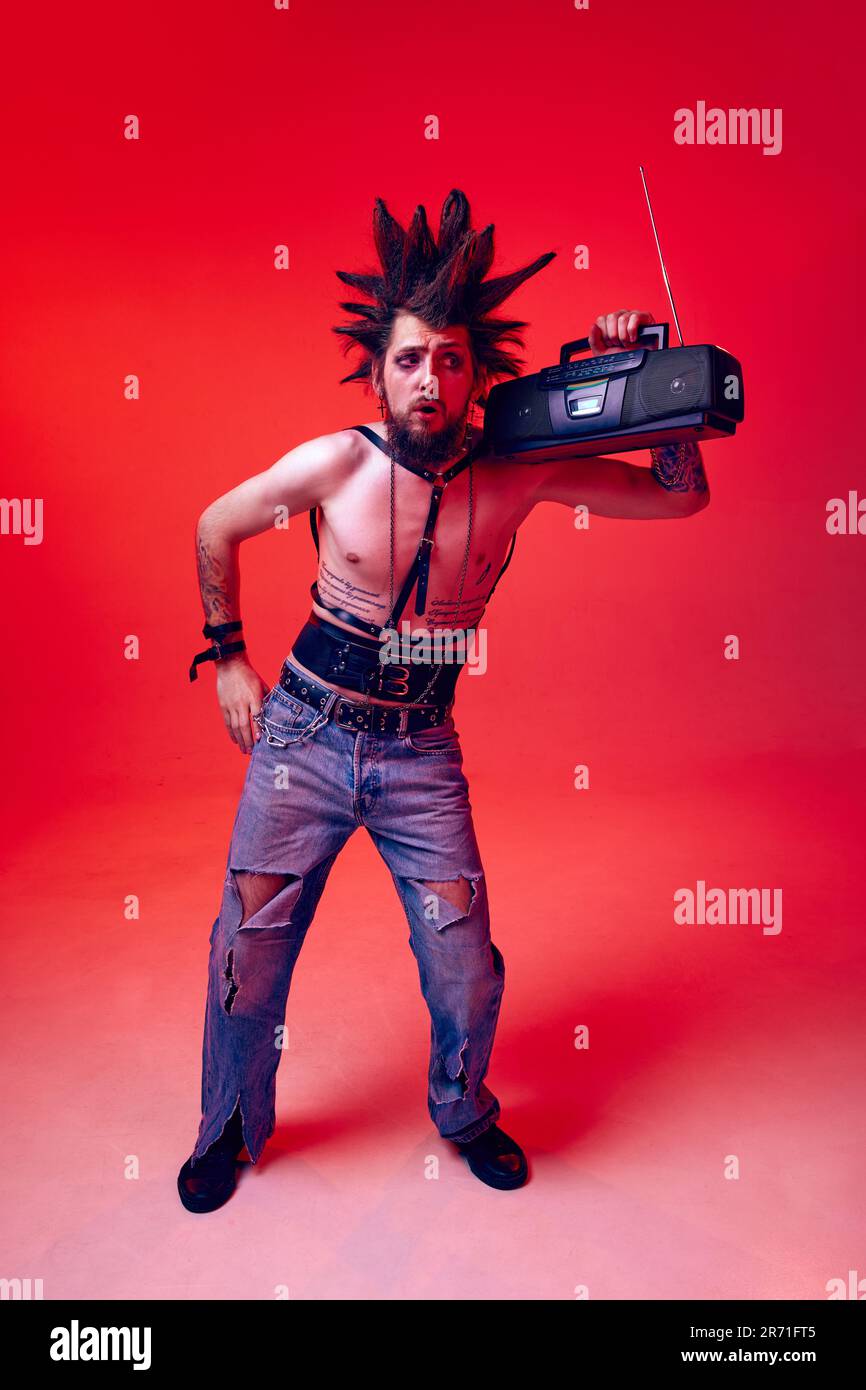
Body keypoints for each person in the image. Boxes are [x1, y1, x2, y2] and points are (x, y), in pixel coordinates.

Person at [177, 188, 710, 1213]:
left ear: (478, 374)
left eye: (451, 359)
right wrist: (227, 657)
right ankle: (230, 1126)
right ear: (377, 369)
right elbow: (214, 523)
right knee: (246, 943)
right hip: (304, 734)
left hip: (420, 750)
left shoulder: (518, 475)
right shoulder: (334, 464)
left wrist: (656, 374)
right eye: (410, 358)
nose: (430, 378)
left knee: (461, 958)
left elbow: (679, 493)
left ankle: (463, 1109)